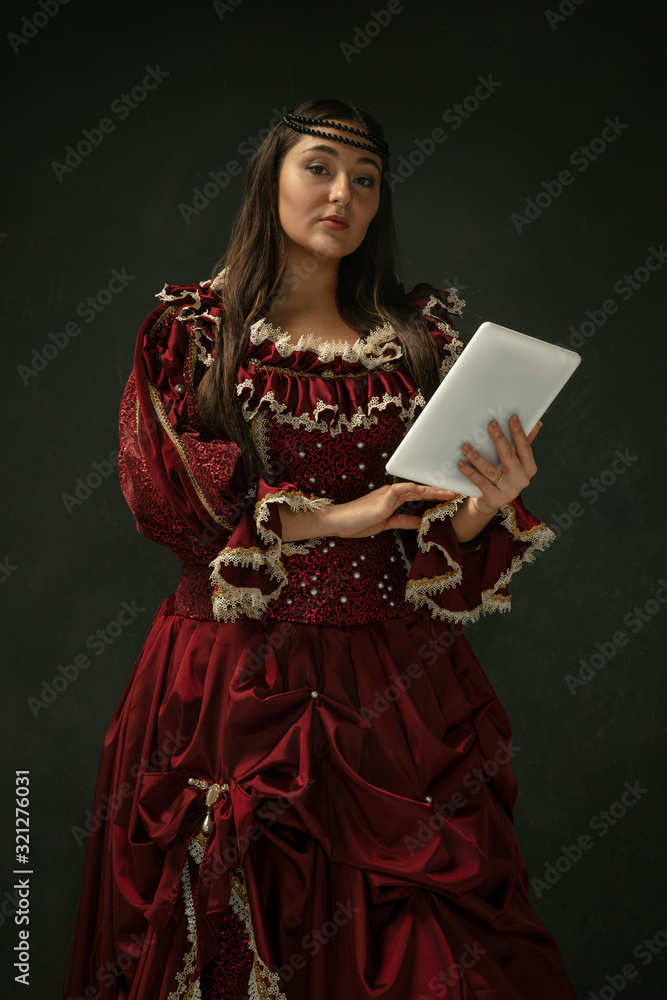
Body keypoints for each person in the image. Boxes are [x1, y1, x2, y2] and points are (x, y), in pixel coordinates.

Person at [62, 98, 577, 1000]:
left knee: (434, 953)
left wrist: (480, 505)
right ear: (271, 182)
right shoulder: (192, 335)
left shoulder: (416, 346)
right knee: (233, 919)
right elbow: (172, 505)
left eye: (365, 179)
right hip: (231, 685)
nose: (343, 192)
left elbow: (434, 546)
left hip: (394, 697)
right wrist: (344, 517)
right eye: (319, 168)